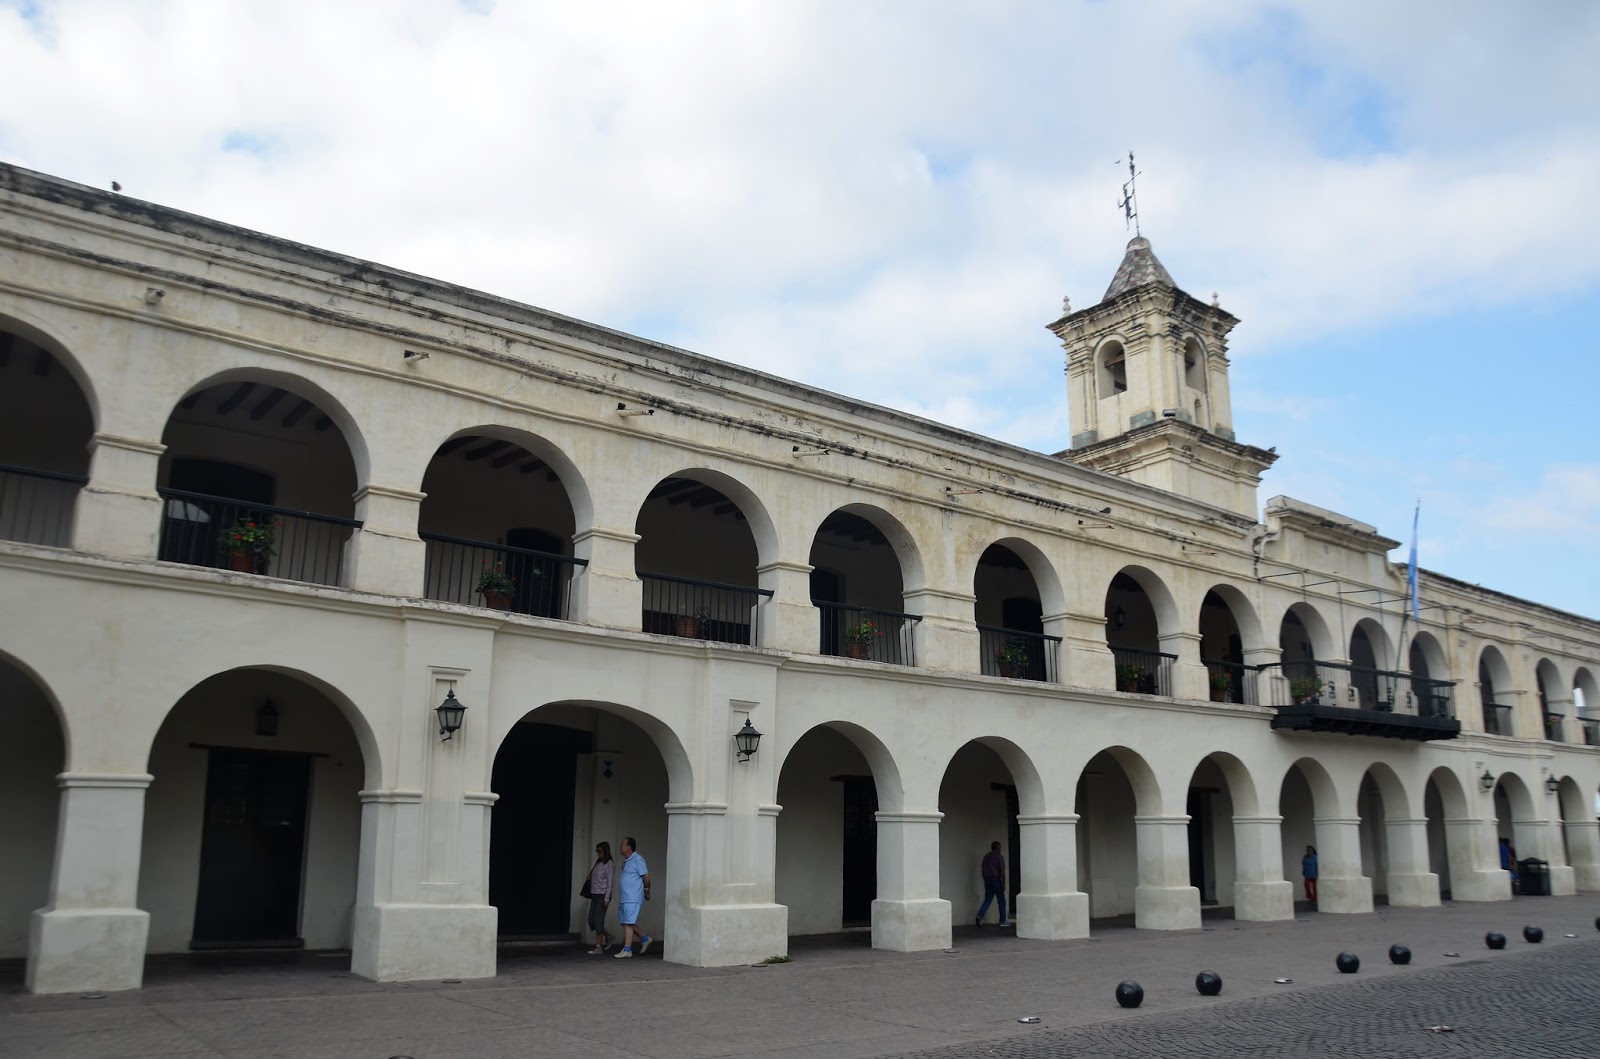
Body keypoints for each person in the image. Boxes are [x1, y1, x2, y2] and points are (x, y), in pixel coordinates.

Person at [612, 835, 653, 958]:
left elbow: (646, 876)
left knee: (628, 923)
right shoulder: (627, 861)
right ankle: (645, 938)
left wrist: (646, 890)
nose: (620, 846)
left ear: (628, 847)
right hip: (625, 897)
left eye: (622, 844)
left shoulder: (637, 859)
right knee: (625, 922)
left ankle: (627, 950)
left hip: (633, 897)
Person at [584, 841, 614, 954]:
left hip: (602, 895)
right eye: (597, 851)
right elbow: (596, 876)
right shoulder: (598, 862)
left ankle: (598, 946)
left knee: (598, 920)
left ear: (605, 851)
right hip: (594, 894)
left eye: (600, 851)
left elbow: (610, 882)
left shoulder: (609, 864)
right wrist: (590, 877)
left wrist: (607, 898)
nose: (598, 854)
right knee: (591, 920)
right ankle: (609, 936)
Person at [975, 841, 1008, 927]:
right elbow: (1002, 870)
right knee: (1001, 900)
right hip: (996, 880)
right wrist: (1004, 882)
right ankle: (1003, 921)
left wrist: (985, 879)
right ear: (998, 848)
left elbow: (982, 869)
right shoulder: (999, 857)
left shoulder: (986, 857)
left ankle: (980, 916)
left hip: (988, 880)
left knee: (988, 899)